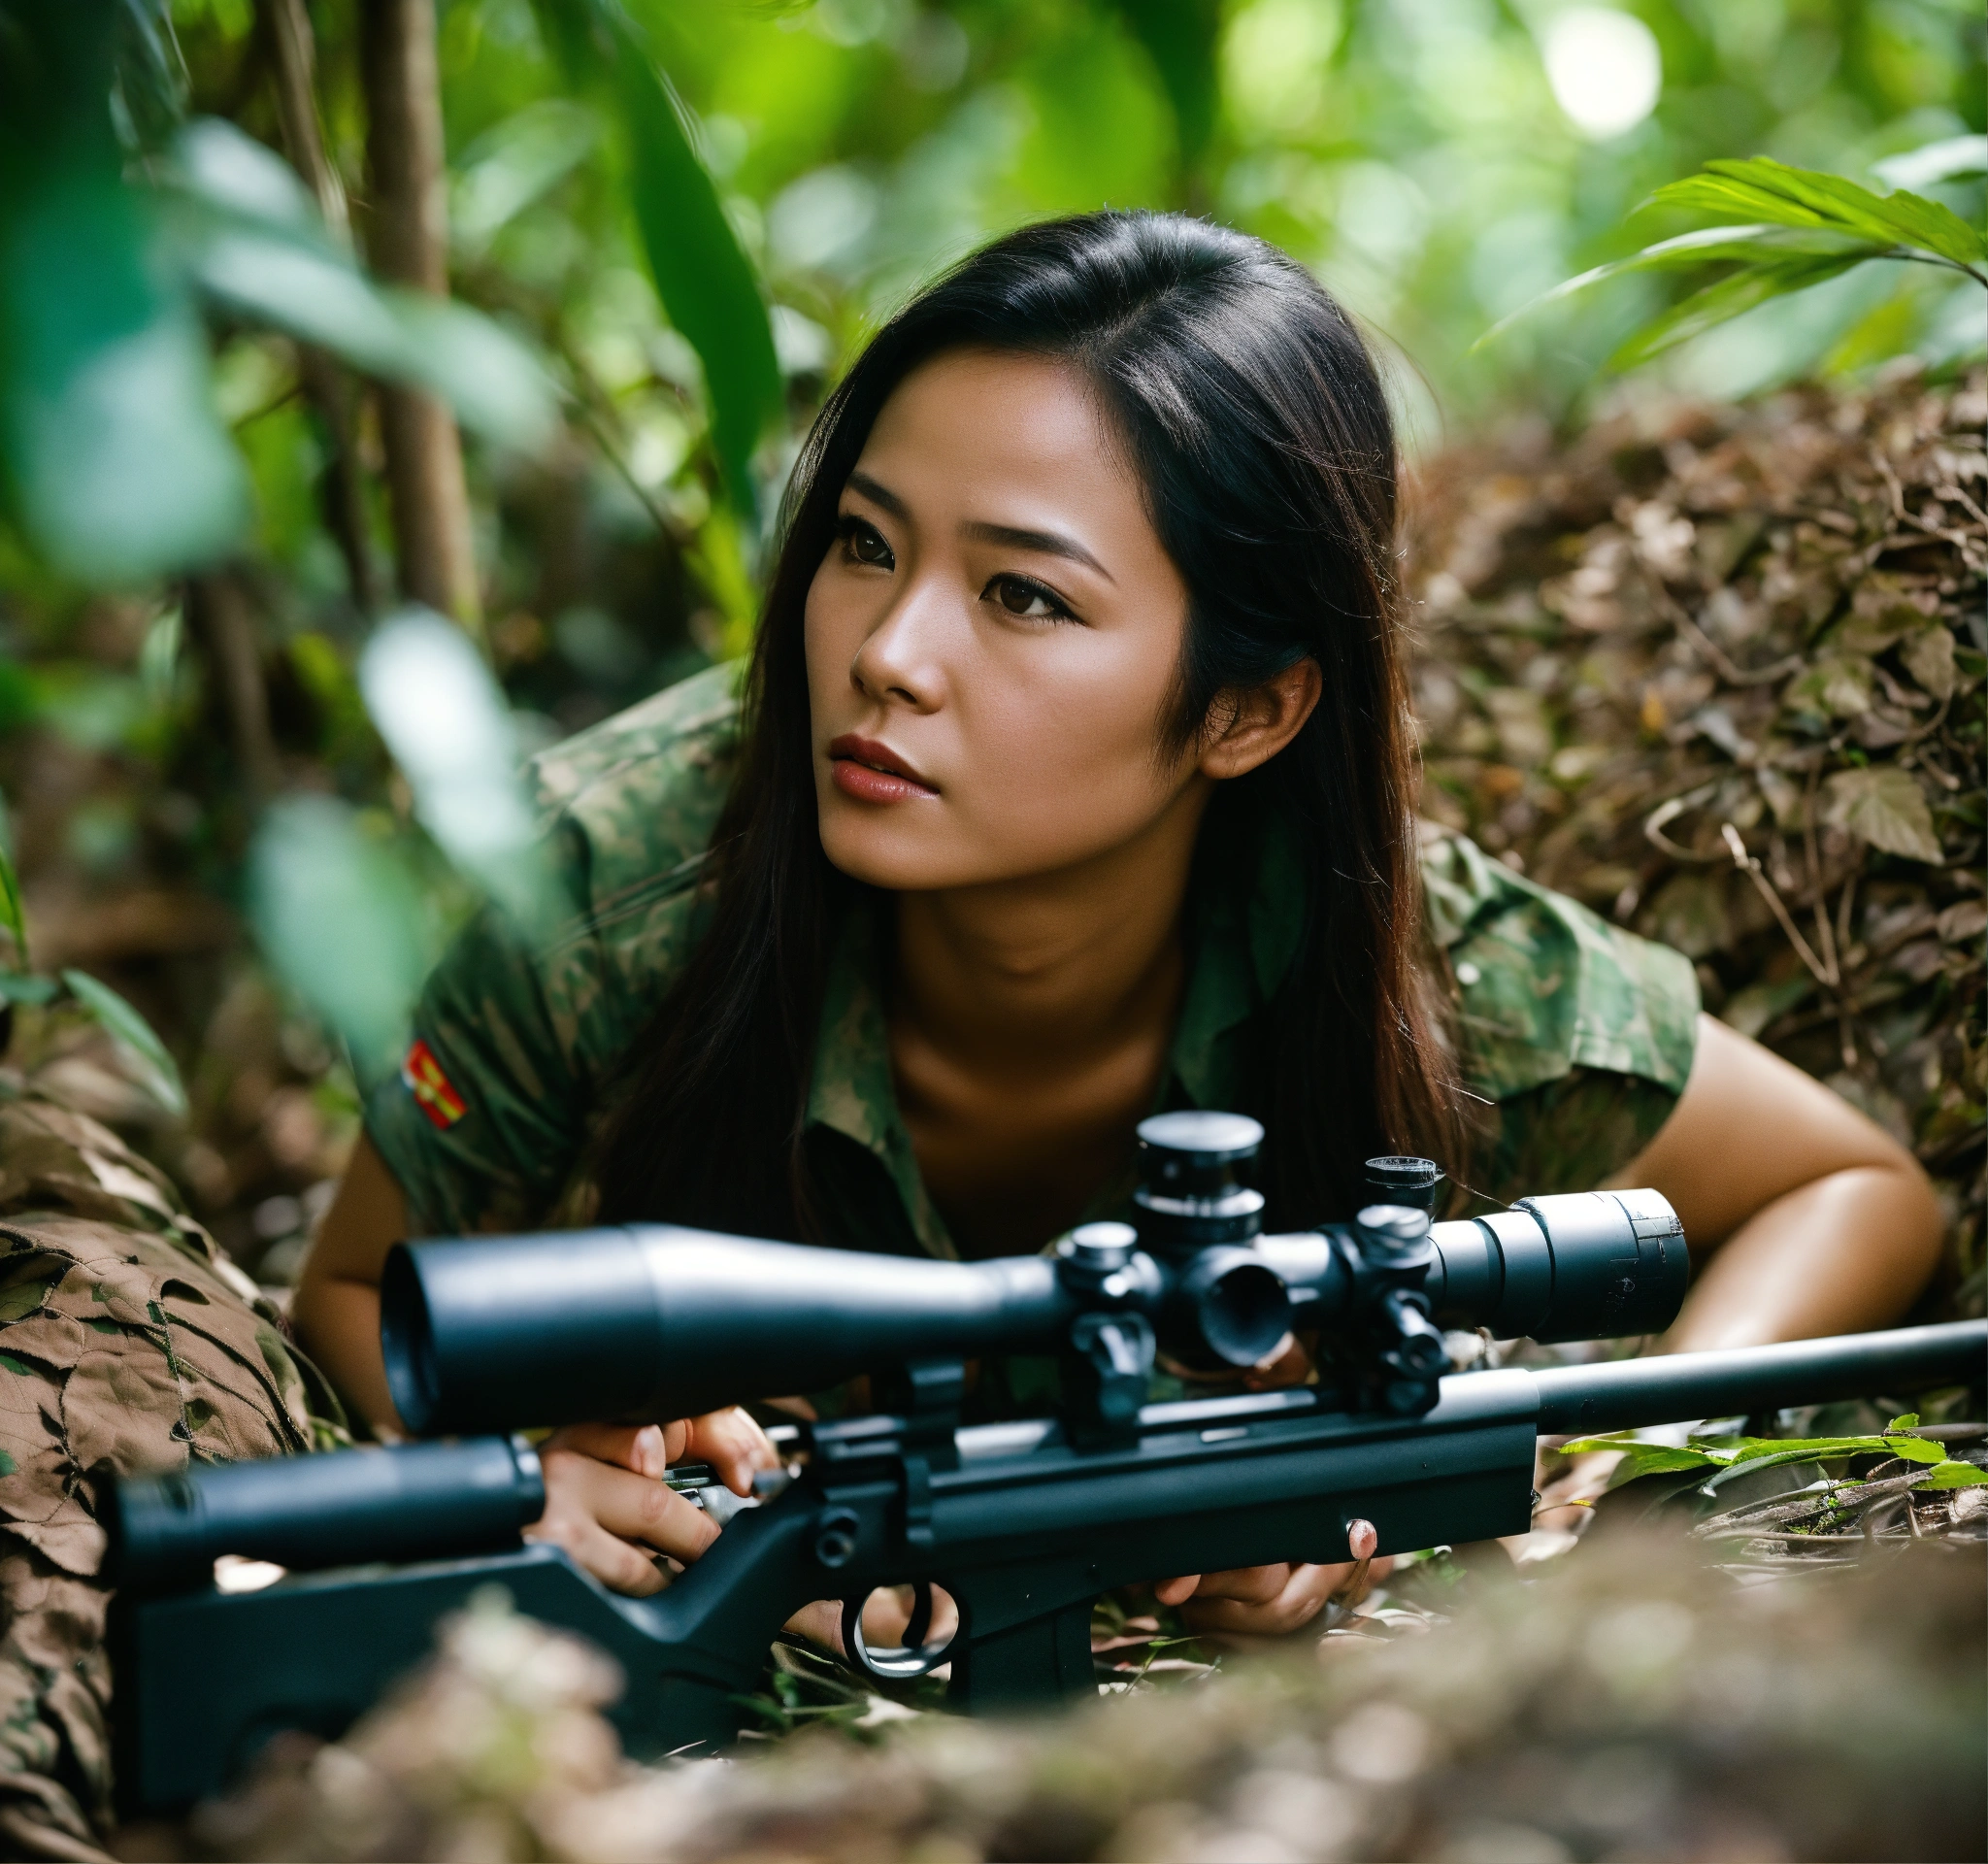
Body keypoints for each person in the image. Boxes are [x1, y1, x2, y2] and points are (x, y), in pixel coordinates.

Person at [294, 212, 1942, 1638]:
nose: (891, 653)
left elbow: (1854, 1188)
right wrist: (523, 1484)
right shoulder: (611, 880)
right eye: (864, 545)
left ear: (1249, 711)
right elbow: (355, 1288)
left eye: (1025, 595)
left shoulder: (1405, 955)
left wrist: (1581, 1499)